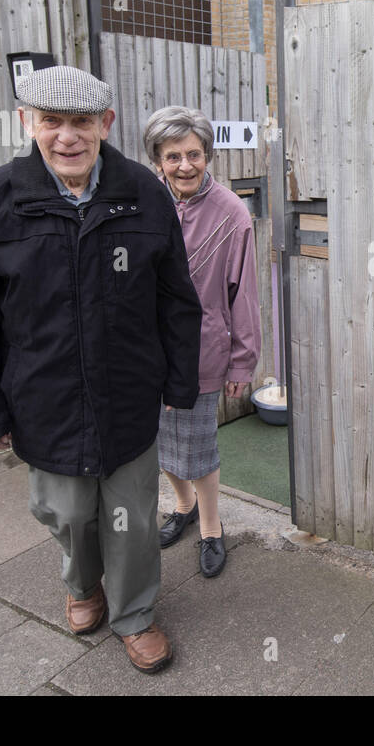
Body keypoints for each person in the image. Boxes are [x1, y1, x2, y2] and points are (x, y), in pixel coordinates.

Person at [0, 66, 202, 674]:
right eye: (51, 121)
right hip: (43, 395)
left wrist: (179, 381)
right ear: (26, 123)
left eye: (82, 122)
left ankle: (134, 614)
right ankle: (83, 584)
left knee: (134, 515)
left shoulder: (143, 191)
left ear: (105, 124)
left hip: (129, 391)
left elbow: (177, 299)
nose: (67, 136)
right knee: (67, 511)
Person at [143, 106, 261, 578]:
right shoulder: (146, 203)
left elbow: (244, 295)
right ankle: (183, 504)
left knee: (198, 445)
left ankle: (211, 527)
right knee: (155, 441)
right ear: (157, 160)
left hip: (203, 352)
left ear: (208, 155)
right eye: (173, 156)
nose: (185, 165)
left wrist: (242, 363)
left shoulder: (232, 213)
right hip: (147, 353)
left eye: (194, 154)